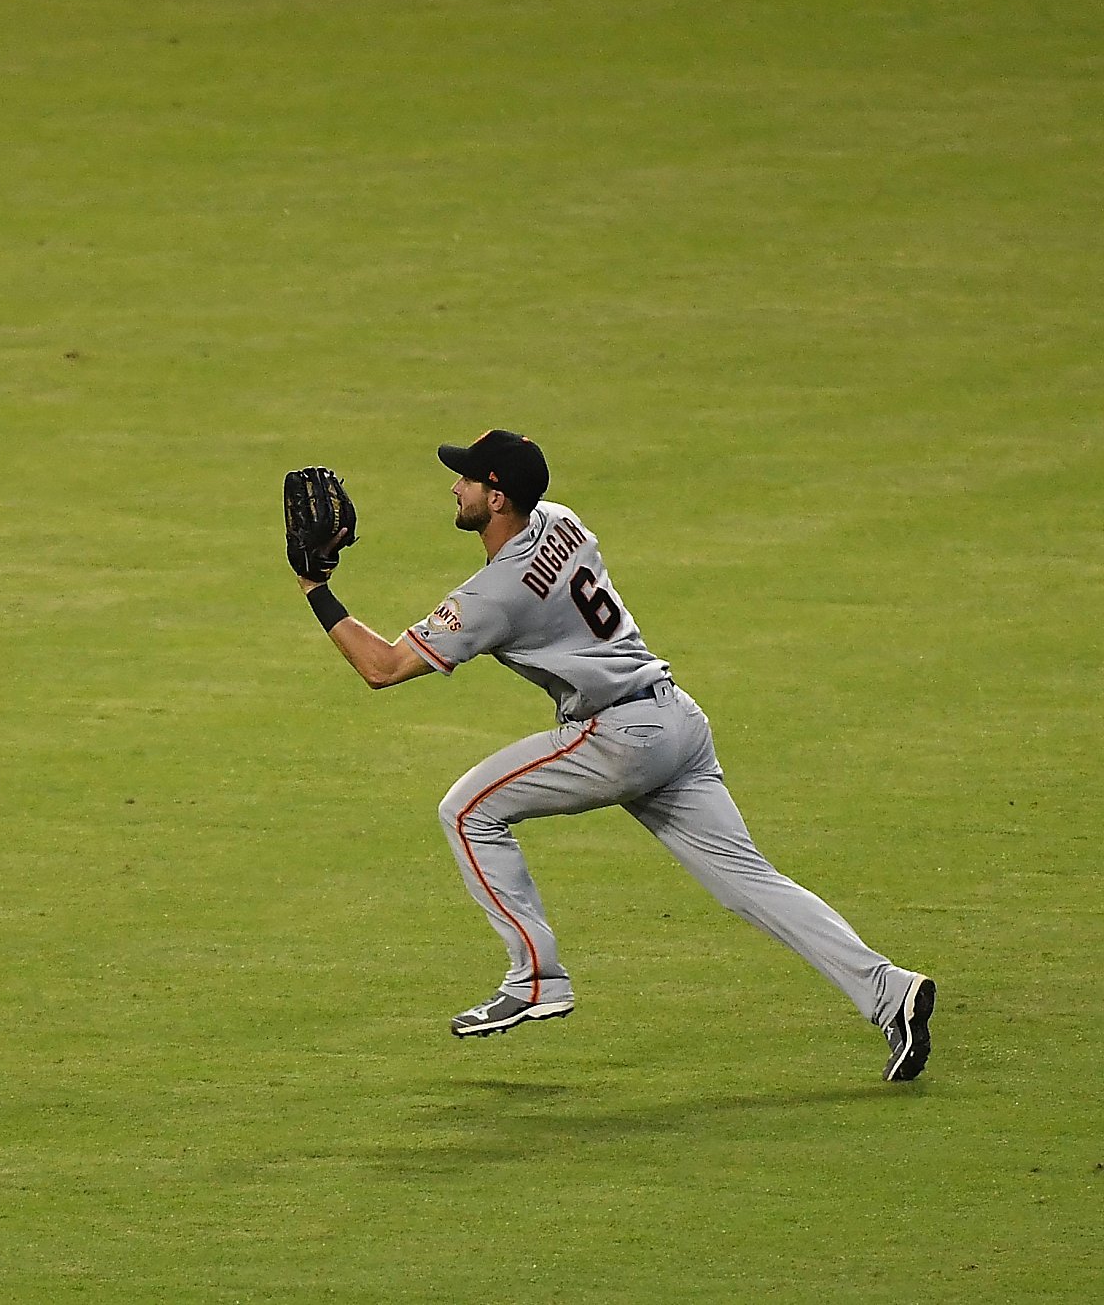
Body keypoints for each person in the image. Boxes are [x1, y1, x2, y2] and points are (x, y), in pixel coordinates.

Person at [290, 430, 936, 1081]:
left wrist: (314, 586)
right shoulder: (561, 520)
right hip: (676, 720)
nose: (453, 487)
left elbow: (382, 668)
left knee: (466, 810)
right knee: (754, 883)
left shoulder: (495, 596)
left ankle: (536, 977)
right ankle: (890, 991)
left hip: (621, 738)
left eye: (466, 480)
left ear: (497, 496)